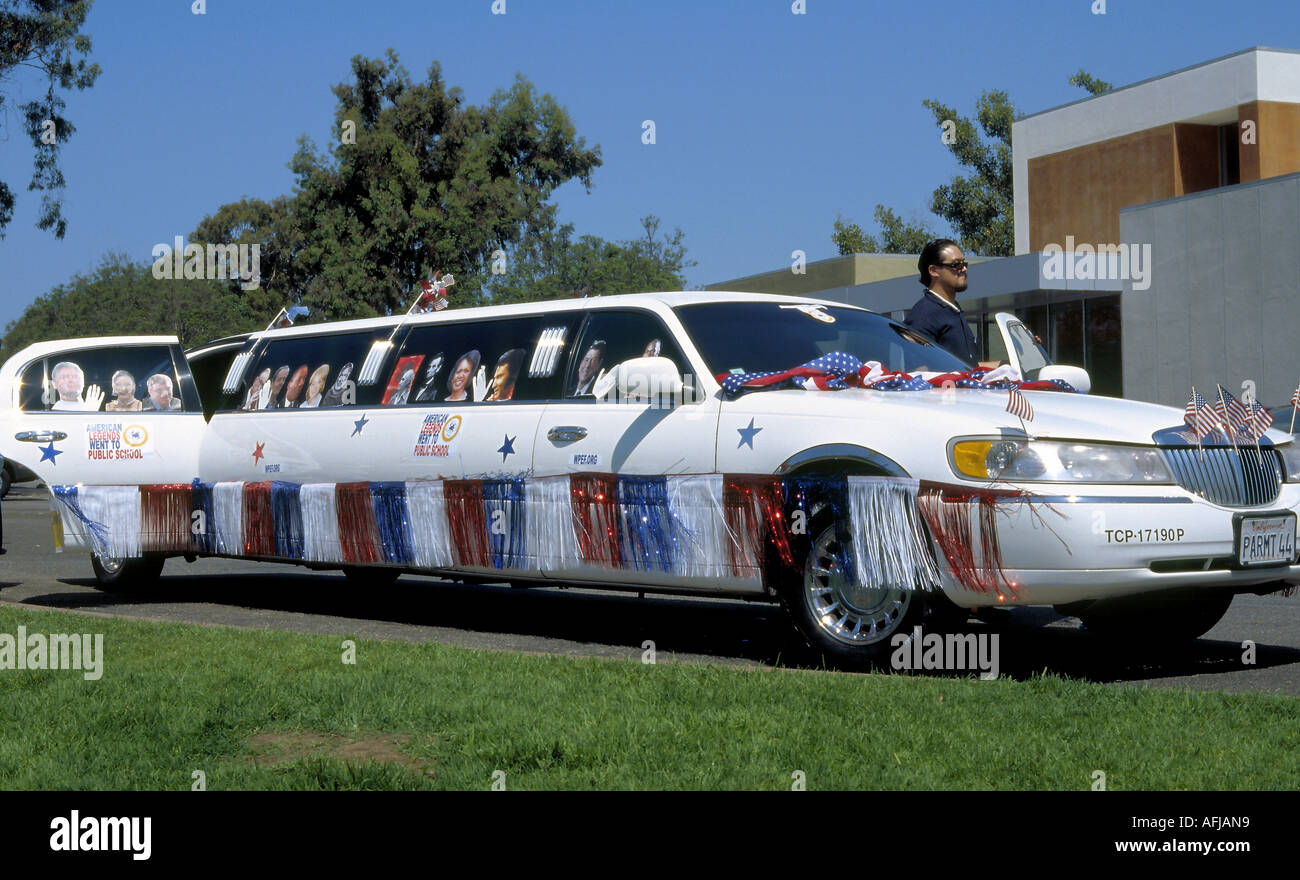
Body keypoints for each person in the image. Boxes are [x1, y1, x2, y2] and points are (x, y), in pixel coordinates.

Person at [904, 239, 981, 366]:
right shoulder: (924, 315)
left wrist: (1007, 366)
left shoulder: (954, 311)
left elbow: (969, 368)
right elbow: (918, 370)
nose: (964, 268)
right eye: (956, 265)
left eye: (964, 263)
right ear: (933, 270)